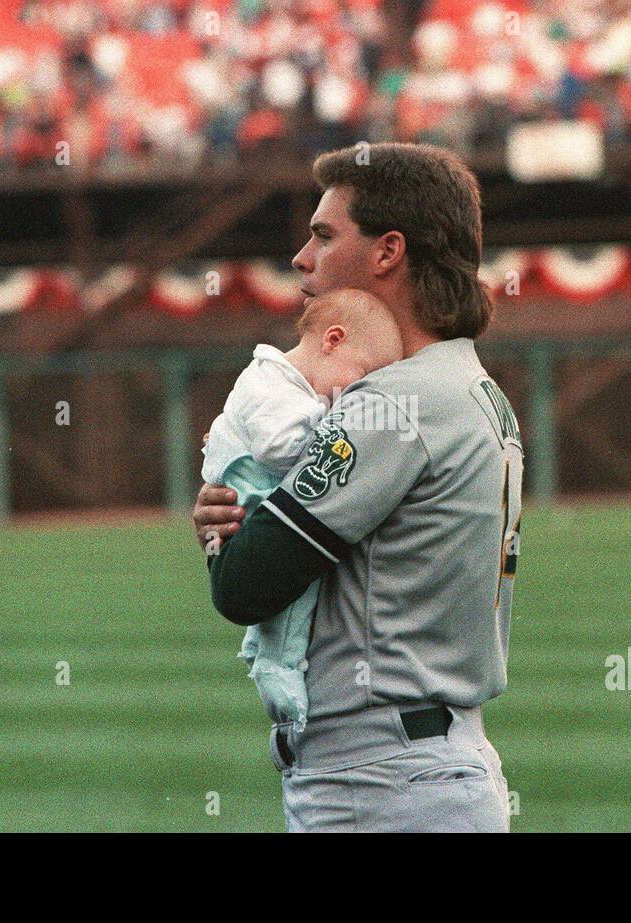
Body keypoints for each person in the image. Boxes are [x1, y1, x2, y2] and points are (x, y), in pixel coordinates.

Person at [196, 142, 523, 832]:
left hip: (384, 781)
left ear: (387, 252)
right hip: (429, 764)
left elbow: (245, 585)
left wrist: (225, 526)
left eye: (323, 235)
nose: (301, 258)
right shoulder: (467, 382)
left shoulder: (393, 400)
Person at [201, 289, 403, 732]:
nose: (358, 391)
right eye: (362, 375)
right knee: (294, 589)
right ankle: (276, 667)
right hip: (252, 489)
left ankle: (263, 650)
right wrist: (340, 430)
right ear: (332, 340)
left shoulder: (287, 385)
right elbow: (281, 448)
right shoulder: (271, 381)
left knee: (289, 583)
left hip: (254, 493)